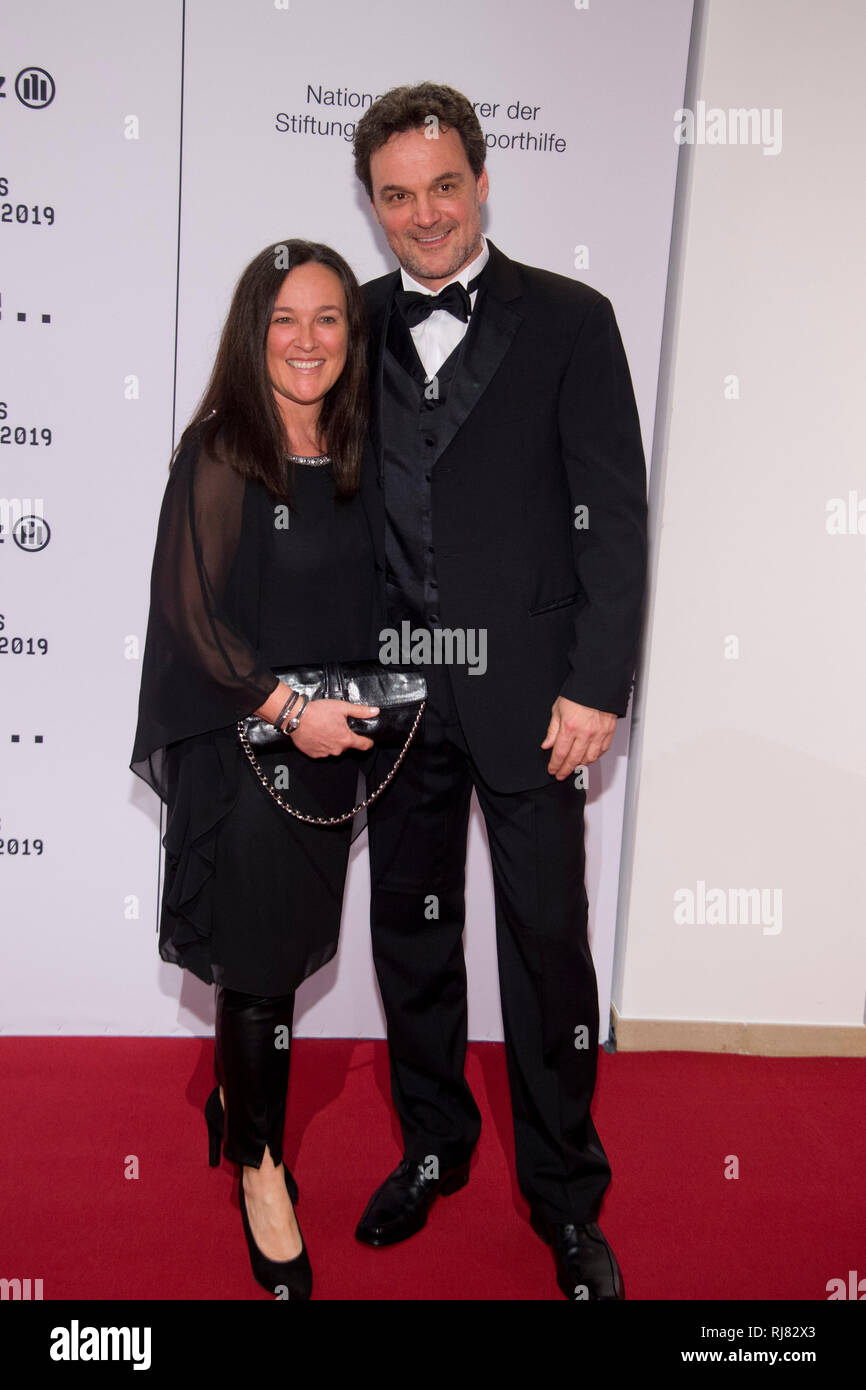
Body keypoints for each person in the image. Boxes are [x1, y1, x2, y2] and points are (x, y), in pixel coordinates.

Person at [351, 83, 648, 1300]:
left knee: (545, 953)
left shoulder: (572, 319)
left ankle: (566, 1195)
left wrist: (596, 685)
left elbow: (614, 523)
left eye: (442, 185)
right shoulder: (343, 324)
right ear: (371, 206)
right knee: (411, 939)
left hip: (535, 699)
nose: (423, 214)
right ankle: (431, 1146)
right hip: (398, 697)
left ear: (482, 181)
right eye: (396, 195)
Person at [131, 239, 383, 1300]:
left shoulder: (368, 449)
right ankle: (262, 1173)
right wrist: (289, 711)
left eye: (328, 318)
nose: (307, 339)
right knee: (259, 964)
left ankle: (237, 1104)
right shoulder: (222, 449)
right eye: (284, 318)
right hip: (243, 742)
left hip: (330, 749)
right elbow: (192, 613)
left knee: (286, 949)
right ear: (253, 330)